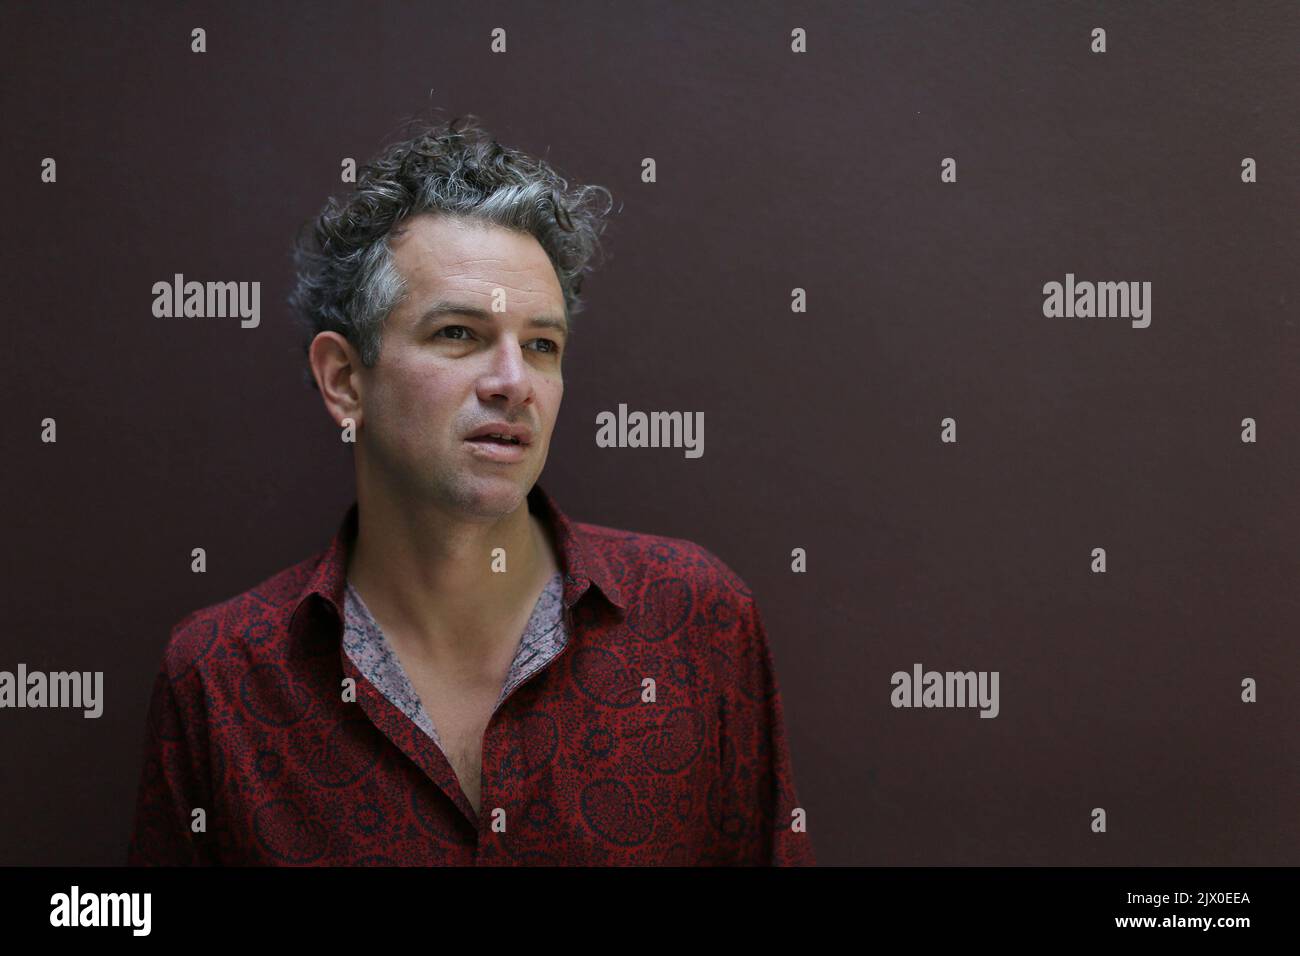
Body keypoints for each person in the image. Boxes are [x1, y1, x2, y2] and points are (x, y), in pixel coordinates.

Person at [127, 114, 814, 865]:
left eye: (542, 346)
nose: (513, 383)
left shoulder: (695, 621)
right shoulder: (224, 677)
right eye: (458, 333)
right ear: (345, 380)